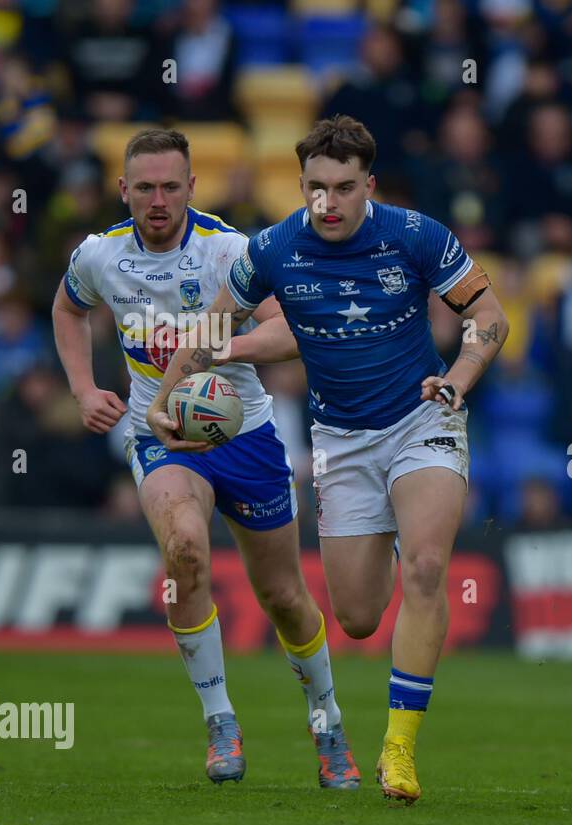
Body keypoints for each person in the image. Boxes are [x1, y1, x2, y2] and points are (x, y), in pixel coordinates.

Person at [148, 116, 510, 804]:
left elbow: (490, 316)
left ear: (368, 184)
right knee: (358, 617)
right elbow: (215, 326)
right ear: (302, 185)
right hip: (341, 441)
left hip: (421, 417)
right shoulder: (273, 249)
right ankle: (393, 578)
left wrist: (459, 378)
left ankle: (398, 752)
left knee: (429, 566)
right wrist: (163, 406)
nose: (329, 203)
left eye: (344, 187)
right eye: (316, 187)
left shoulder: (416, 235)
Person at [53, 128, 358, 788]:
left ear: (192, 186)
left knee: (283, 596)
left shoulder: (229, 250)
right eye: (145, 188)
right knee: (184, 552)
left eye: (170, 186)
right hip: (160, 435)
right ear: (123, 190)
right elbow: (67, 308)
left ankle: (327, 720)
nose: (157, 200)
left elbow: (288, 332)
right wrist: (83, 388)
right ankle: (220, 720)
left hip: (244, 435)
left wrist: (219, 348)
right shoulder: (99, 257)